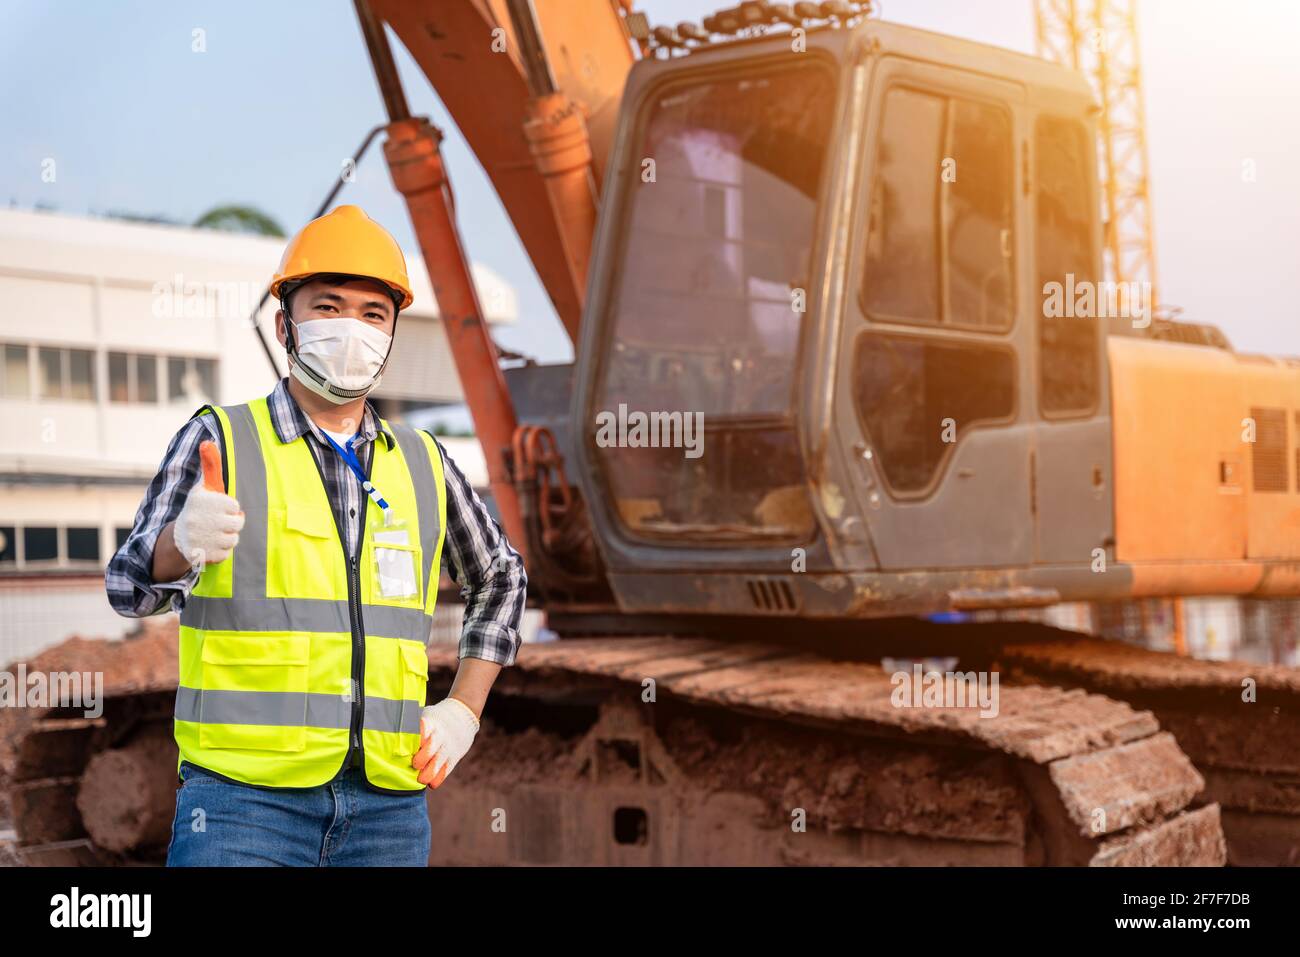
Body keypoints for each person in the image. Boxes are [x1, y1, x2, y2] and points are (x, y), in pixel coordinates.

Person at [105, 204, 528, 866]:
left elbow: (501, 577)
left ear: (390, 336)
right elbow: (129, 587)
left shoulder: (424, 462)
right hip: (244, 806)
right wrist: (178, 544)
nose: (350, 329)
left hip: (387, 809)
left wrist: (464, 710)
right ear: (285, 325)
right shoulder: (221, 438)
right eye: (327, 307)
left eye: (372, 313)